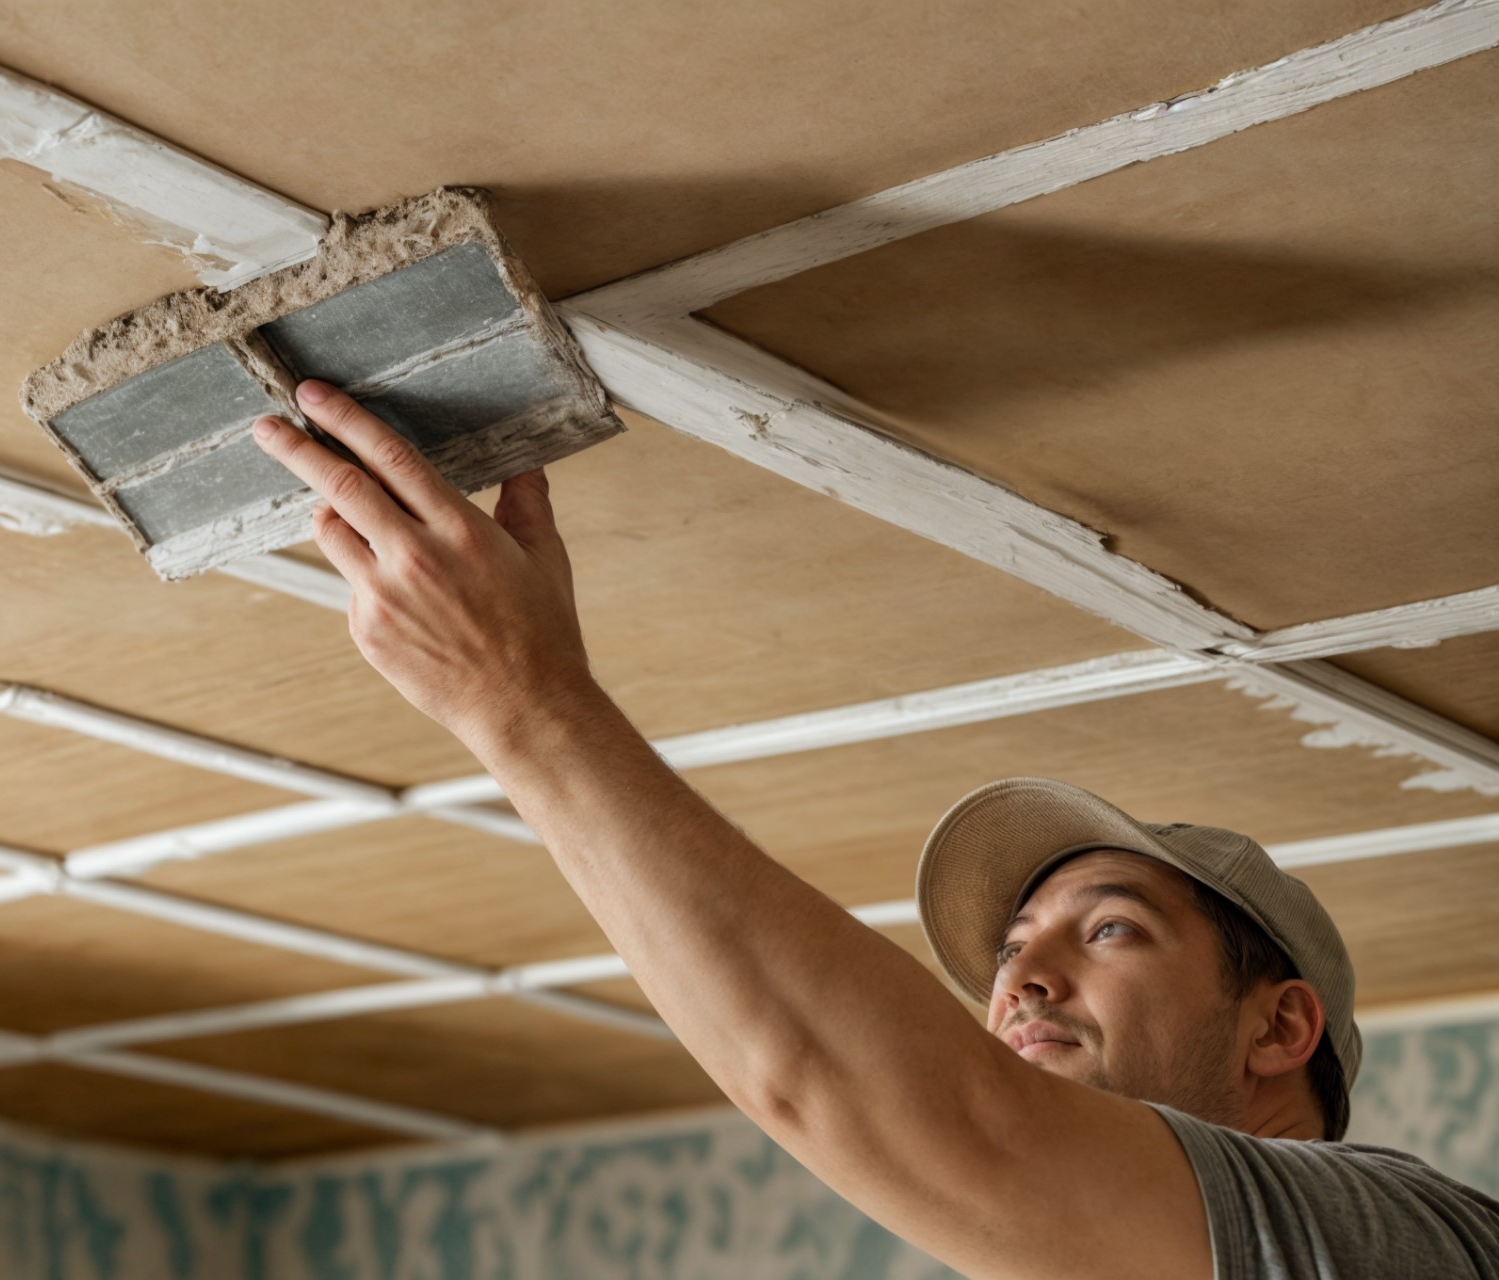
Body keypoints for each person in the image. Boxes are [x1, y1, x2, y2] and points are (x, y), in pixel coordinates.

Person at [252, 381, 1499, 1280]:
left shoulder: (1397, 1237)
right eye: (1014, 947)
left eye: (1108, 926)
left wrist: (519, 698)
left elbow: (915, 1114)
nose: (1022, 978)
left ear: (1279, 1026)